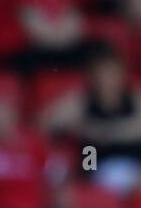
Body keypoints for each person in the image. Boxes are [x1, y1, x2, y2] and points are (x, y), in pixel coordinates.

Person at [43, 44, 141, 195]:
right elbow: (46, 122)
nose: (109, 81)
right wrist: (77, 128)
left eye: (113, 74)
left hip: (133, 167)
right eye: (103, 75)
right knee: (89, 152)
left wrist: (103, 132)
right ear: (94, 77)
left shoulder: (134, 99)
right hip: (96, 168)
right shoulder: (82, 101)